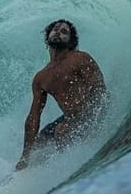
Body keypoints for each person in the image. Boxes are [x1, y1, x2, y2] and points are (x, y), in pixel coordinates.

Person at [15, 19, 107, 171]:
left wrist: (93, 118)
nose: (58, 32)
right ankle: (28, 173)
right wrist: (25, 157)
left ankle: (66, 169)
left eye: (64, 32)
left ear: (70, 41)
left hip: (92, 111)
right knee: (38, 145)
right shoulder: (41, 77)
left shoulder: (80, 58)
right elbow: (33, 118)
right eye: (55, 29)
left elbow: (99, 89)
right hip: (70, 118)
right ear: (48, 35)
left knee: (61, 131)